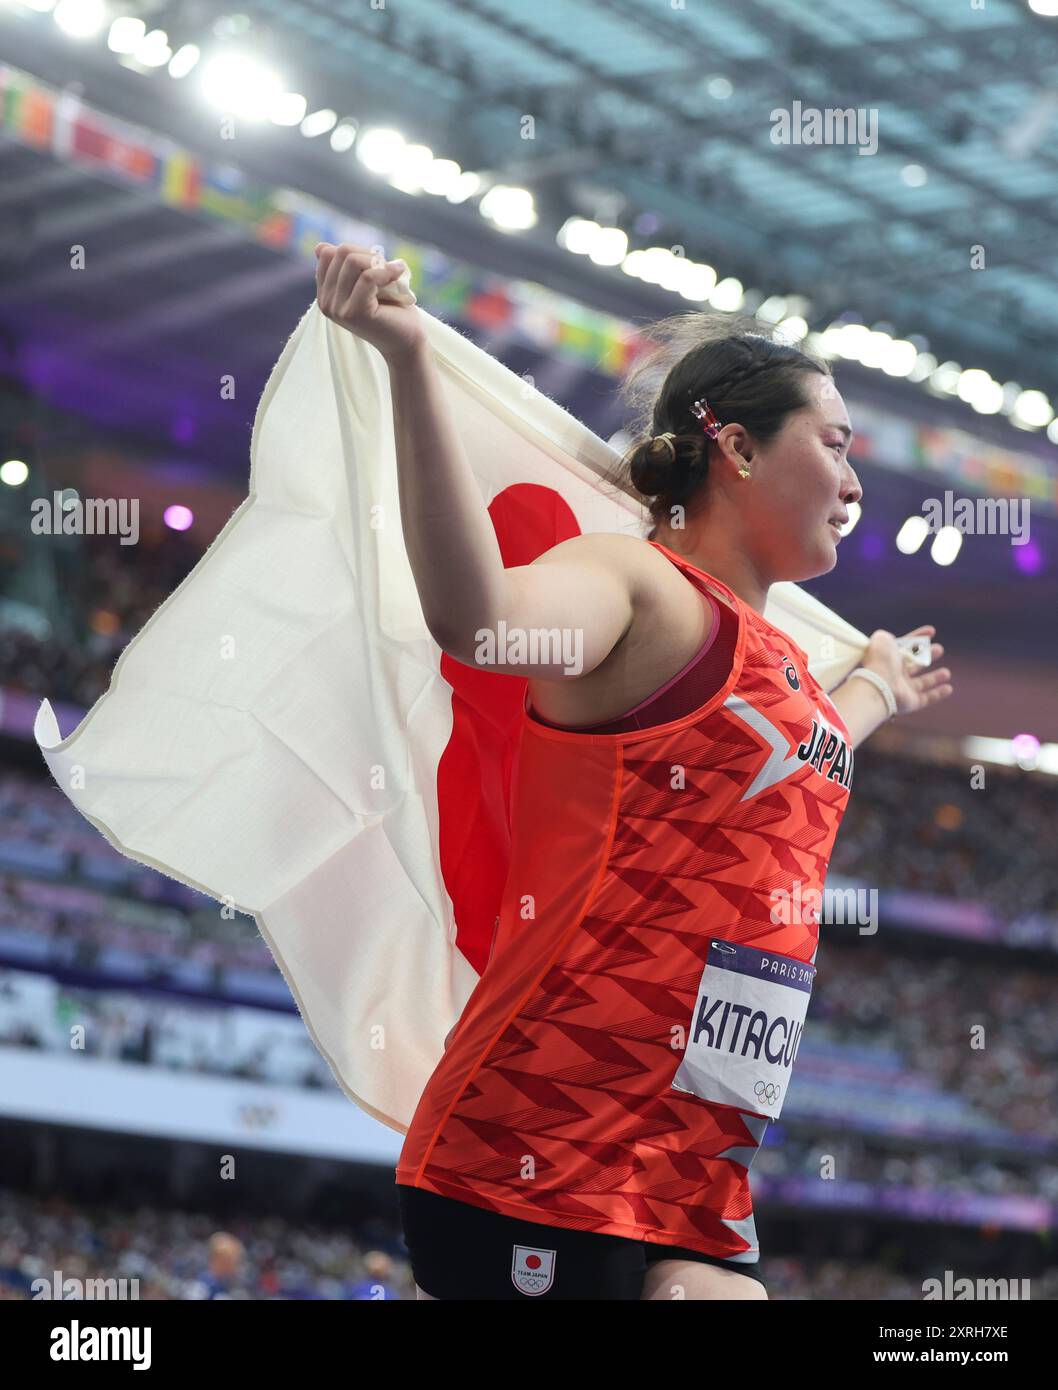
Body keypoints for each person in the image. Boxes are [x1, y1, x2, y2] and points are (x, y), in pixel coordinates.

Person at [313, 242, 953, 1301]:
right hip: (543, 1146)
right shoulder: (634, 586)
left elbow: (803, 744)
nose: (851, 483)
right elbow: (480, 626)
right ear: (737, 448)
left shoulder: (782, 661)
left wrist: (878, 683)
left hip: (697, 1160)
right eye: (834, 445)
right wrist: (408, 360)